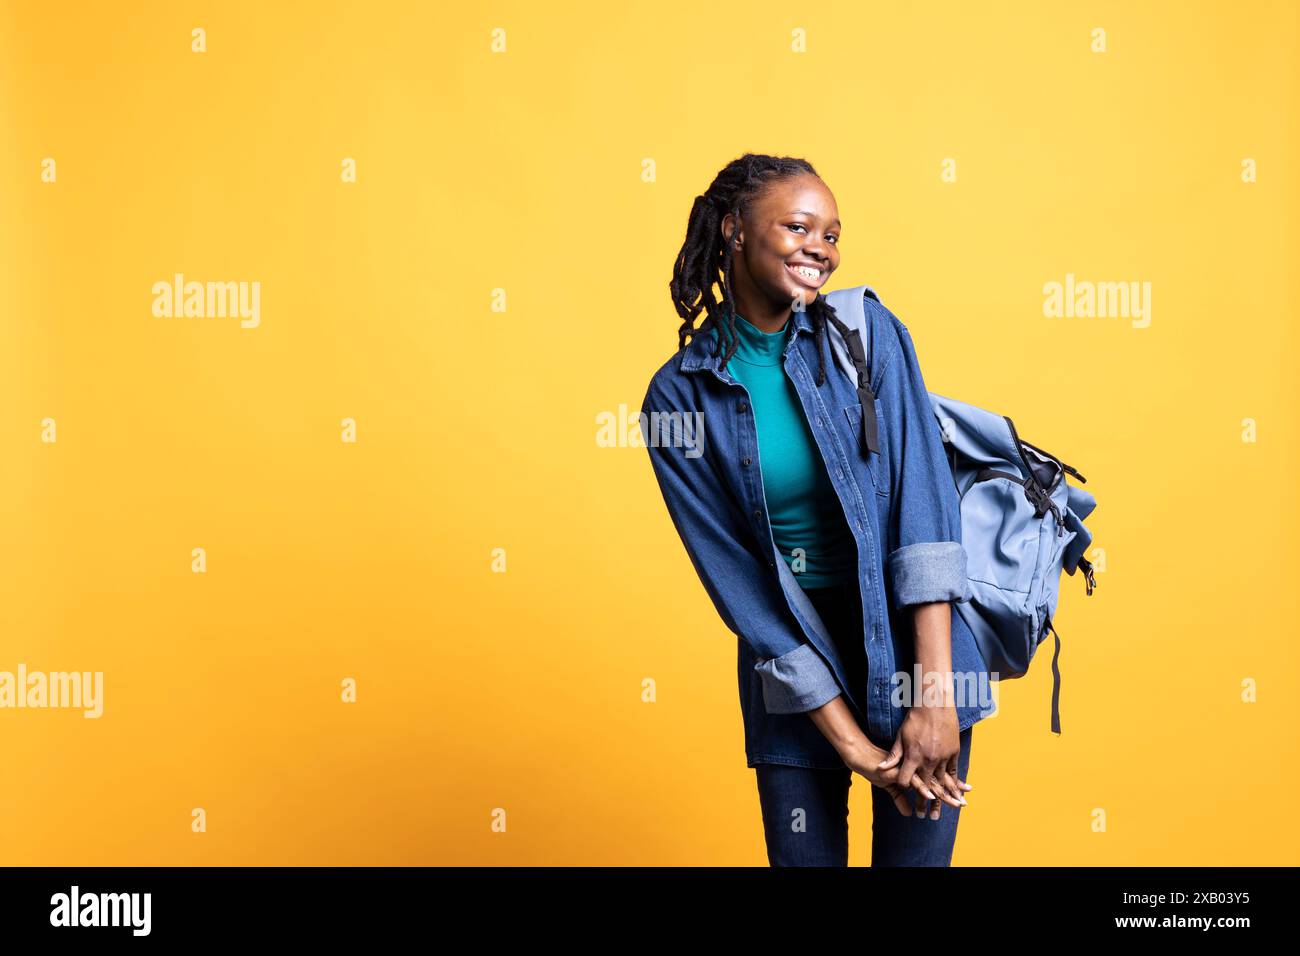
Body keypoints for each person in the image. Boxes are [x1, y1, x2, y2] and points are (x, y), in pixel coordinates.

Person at [641, 153, 995, 866]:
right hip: (796, 672)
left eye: (832, 235)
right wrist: (851, 743)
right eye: (799, 226)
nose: (821, 250)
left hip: (915, 646)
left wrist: (935, 696)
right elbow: (738, 583)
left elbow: (926, 515)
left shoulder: (867, 335)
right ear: (737, 230)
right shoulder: (676, 401)